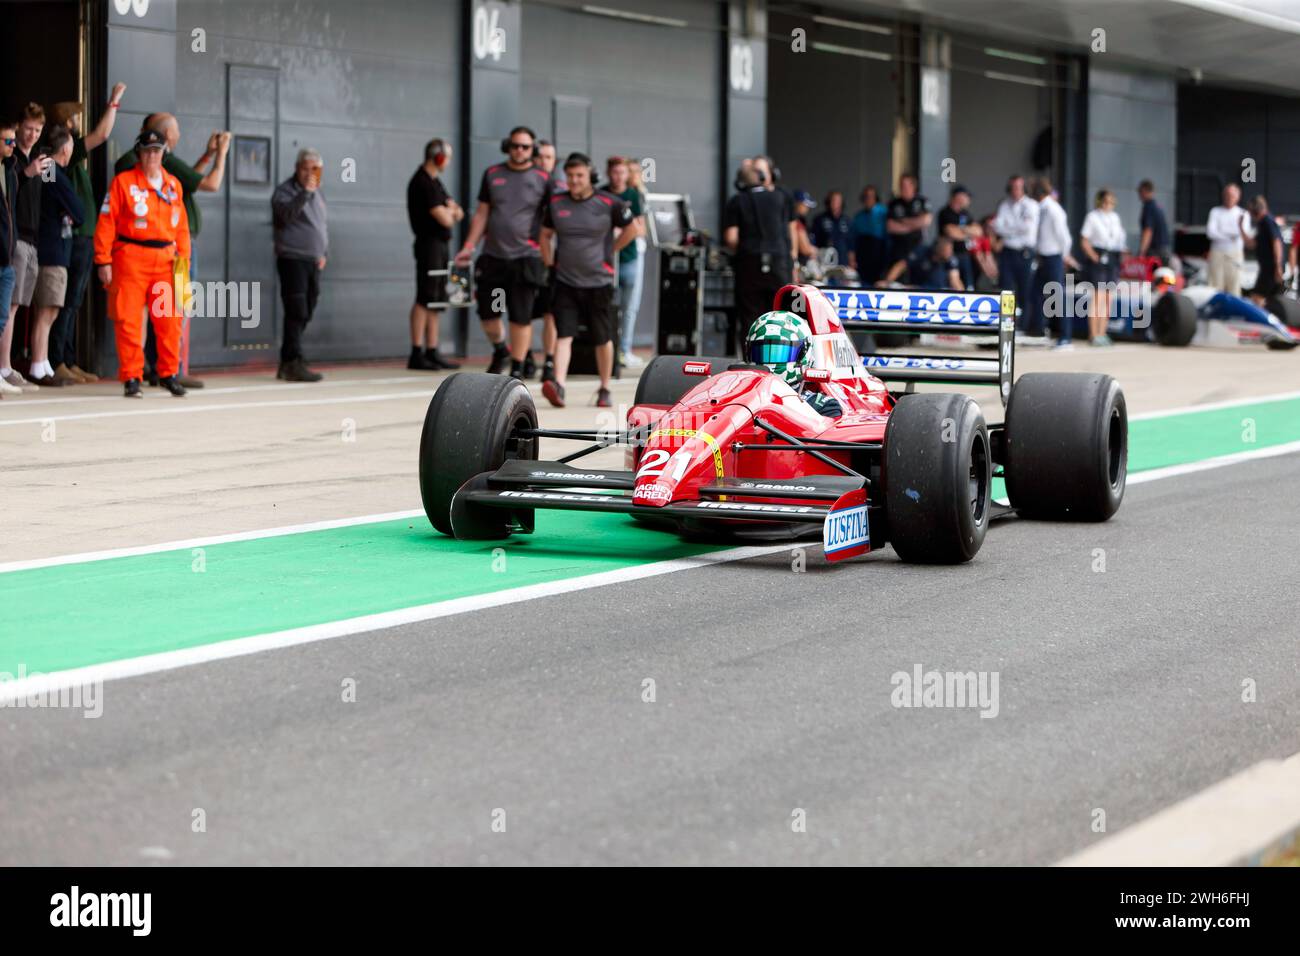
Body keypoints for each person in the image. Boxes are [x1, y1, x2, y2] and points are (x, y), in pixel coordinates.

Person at [115, 113, 230, 388]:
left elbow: (191, 180)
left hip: (177, 250)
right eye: (176, 132)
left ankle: (165, 368)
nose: (179, 136)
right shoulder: (160, 161)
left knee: (173, 308)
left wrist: (207, 154)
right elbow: (211, 183)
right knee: (173, 308)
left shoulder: (169, 170)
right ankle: (170, 369)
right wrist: (221, 154)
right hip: (167, 251)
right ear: (167, 137)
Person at [94, 128, 190, 398]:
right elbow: (106, 222)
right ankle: (132, 377)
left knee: (170, 321)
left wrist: (183, 267)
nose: (152, 156)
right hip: (130, 258)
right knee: (129, 321)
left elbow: (182, 230)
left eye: (157, 151)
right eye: (147, 151)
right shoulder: (123, 183)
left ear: (164, 153)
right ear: (139, 153)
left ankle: (169, 374)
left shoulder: (174, 186)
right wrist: (103, 260)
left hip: (167, 261)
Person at [454, 125, 552, 378]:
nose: (519, 150)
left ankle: (516, 369)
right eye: (515, 145)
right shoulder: (492, 174)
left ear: (532, 149)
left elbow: (552, 221)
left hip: (526, 258)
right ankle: (501, 350)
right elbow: (482, 214)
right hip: (494, 258)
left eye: (525, 147)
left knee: (520, 317)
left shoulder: (543, 179)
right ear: (507, 146)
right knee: (489, 313)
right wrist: (468, 247)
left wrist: (549, 254)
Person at [536, 152, 633, 409]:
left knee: (602, 338)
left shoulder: (609, 202)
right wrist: (549, 264)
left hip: (599, 282)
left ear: (590, 176)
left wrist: (611, 250)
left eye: (579, 175)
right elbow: (544, 234)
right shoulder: (556, 203)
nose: (574, 180)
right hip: (565, 281)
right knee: (564, 334)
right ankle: (559, 385)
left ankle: (605, 388)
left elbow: (632, 228)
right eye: (569, 176)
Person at [46, 84, 125, 386]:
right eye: (77, 118)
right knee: (66, 302)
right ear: (68, 123)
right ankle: (57, 361)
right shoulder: (64, 148)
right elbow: (102, 134)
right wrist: (114, 102)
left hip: (83, 237)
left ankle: (67, 359)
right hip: (75, 237)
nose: (80, 122)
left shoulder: (67, 156)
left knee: (73, 302)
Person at [28, 125, 84, 387]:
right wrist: (68, 212)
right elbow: (78, 211)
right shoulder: (52, 169)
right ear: (66, 150)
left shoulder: (49, 169)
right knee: (46, 310)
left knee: (50, 311)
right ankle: (38, 366)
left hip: (52, 248)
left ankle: (43, 364)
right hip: (51, 251)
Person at [2, 103, 51, 393]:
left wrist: (49, 168)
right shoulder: (12, 159)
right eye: (29, 128)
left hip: (34, 239)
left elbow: (51, 190)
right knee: (10, 304)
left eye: (38, 130)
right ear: (19, 127)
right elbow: (8, 191)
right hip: (16, 237)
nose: (32, 134)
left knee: (19, 304)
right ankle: (5, 367)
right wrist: (27, 173)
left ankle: (9, 366)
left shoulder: (41, 158)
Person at [723, 163, 796, 354]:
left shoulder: (737, 201)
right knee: (780, 314)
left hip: (749, 264)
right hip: (779, 263)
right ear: (763, 179)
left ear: (740, 184)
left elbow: (731, 238)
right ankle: (782, 357)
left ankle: (751, 360)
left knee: (749, 315)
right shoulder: (780, 198)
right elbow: (789, 231)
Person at [271, 148, 328, 382]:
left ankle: (290, 357)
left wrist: (323, 252)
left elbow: (321, 225)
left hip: (313, 260)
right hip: (292, 259)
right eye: (305, 168)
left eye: (314, 169)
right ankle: (292, 360)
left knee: (308, 309)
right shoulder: (285, 191)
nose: (309, 173)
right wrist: (304, 193)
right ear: (297, 168)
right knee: (296, 310)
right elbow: (284, 216)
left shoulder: (318, 193)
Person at [405, 137, 462, 370]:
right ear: (438, 157)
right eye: (446, 157)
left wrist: (451, 211)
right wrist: (450, 211)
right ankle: (416, 352)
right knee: (424, 296)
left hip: (440, 245)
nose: (448, 161)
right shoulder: (423, 183)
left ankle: (432, 349)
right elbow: (447, 218)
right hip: (429, 245)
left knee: (436, 298)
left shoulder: (435, 182)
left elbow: (457, 211)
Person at [743, 311, 840, 417]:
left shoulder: (822, 406)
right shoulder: (743, 400)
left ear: (804, 353)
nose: (770, 363)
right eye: (762, 353)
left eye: (781, 353)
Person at [528, 138, 565, 381]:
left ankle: (549, 360)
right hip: (524, 256)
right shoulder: (523, 185)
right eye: (540, 157)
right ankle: (526, 356)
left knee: (551, 312)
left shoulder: (559, 190)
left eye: (549, 158)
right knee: (523, 312)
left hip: (551, 259)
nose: (544, 162)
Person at [607, 155, 646, 369]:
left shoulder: (633, 195)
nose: (618, 176)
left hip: (629, 258)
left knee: (629, 307)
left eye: (622, 172)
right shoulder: (602, 193)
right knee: (608, 306)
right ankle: (609, 349)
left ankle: (624, 349)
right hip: (606, 262)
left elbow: (640, 228)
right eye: (614, 172)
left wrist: (622, 234)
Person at [992, 174, 1040, 333]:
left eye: (1018, 187)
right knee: (1006, 289)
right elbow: (997, 227)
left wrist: (1008, 228)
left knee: (1025, 290)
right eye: (1012, 187)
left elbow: (1027, 227)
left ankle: (1023, 326)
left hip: (1025, 252)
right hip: (1008, 252)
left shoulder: (1031, 205)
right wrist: (1013, 228)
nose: (1015, 191)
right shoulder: (1004, 205)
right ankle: (1007, 324)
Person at [1032, 177, 1075, 349]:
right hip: (1043, 257)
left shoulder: (1053, 209)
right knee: (1036, 294)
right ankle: (1041, 331)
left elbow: (1064, 236)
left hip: (1054, 257)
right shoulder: (1042, 208)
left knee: (1058, 296)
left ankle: (1065, 337)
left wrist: (1064, 255)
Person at [1079, 189, 1125, 347]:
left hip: (1112, 255)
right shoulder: (1092, 217)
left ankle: (1103, 332)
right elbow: (1084, 240)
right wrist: (1093, 256)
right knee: (1098, 297)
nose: (1108, 205)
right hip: (1098, 255)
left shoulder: (1115, 218)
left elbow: (1118, 238)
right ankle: (1093, 334)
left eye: (1111, 202)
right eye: (1105, 202)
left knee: (1108, 298)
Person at [0, 120, 18, 397]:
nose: (13, 145)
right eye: (7, 141)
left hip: (8, 257)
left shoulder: (10, 170)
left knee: (2, 316)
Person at [1206, 183, 1249, 297]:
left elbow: (1242, 234)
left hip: (1235, 254)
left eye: (1232, 196)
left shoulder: (1243, 213)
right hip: (1217, 253)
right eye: (1227, 195)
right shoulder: (1215, 211)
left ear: (1238, 197)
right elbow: (1211, 233)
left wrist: (1222, 233)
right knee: (1215, 286)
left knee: (1234, 286)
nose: (1229, 198)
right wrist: (1230, 236)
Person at [878, 236, 963, 290]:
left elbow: (955, 279)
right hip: (917, 289)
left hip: (939, 292)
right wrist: (887, 282)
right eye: (947, 250)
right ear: (939, 249)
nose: (950, 253)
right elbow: (901, 265)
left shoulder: (951, 260)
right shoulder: (921, 252)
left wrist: (963, 295)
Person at [937, 185, 980, 289]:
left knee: (969, 285)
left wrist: (961, 229)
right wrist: (968, 232)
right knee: (953, 283)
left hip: (964, 254)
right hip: (950, 254)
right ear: (958, 197)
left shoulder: (965, 213)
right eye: (966, 196)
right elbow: (951, 232)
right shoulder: (945, 212)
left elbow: (978, 231)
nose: (968, 200)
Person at [1244, 195, 1284, 307]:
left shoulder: (1267, 221)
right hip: (1266, 268)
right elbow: (1251, 244)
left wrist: (1278, 266)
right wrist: (1240, 227)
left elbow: (1277, 242)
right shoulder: (1261, 224)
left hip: (1271, 269)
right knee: (1265, 299)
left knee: (1257, 297)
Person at [885, 173, 931, 264]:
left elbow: (926, 221)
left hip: (917, 246)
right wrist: (915, 225)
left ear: (913, 186)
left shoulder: (922, 201)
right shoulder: (894, 203)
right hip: (898, 248)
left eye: (906, 186)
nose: (904, 188)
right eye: (901, 186)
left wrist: (903, 221)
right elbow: (890, 227)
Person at [850, 184, 887, 283]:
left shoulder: (883, 213)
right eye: (866, 197)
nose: (868, 199)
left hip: (879, 251)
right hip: (863, 253)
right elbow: (853, 239)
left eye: (871, 196)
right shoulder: (859, 217)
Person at [811, 190, 852, 266]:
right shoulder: (820, 219)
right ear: (828, 202)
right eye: (833, 200)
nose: (835, 203)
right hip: (825, 261)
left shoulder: (847, 220)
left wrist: (851, 261)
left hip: (843, 261)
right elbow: (813, 240)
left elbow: (850, 243)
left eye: (838, 201)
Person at [1136, 180, 1171, 263]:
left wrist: (1141, 251)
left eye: (1140, 191)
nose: (1139, 195)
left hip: (1154, 251)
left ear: (1145, 191)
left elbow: (1148, 230)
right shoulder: (1157, 207)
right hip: (1164, 249)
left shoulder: (1148, 207)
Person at [792, 189, 818, 265]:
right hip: (797, 263)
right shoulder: (793, 222)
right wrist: (817, 251)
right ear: (797, 204)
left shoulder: (801, 220)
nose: (807, 208)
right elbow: (805, 249)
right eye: (804, 205)